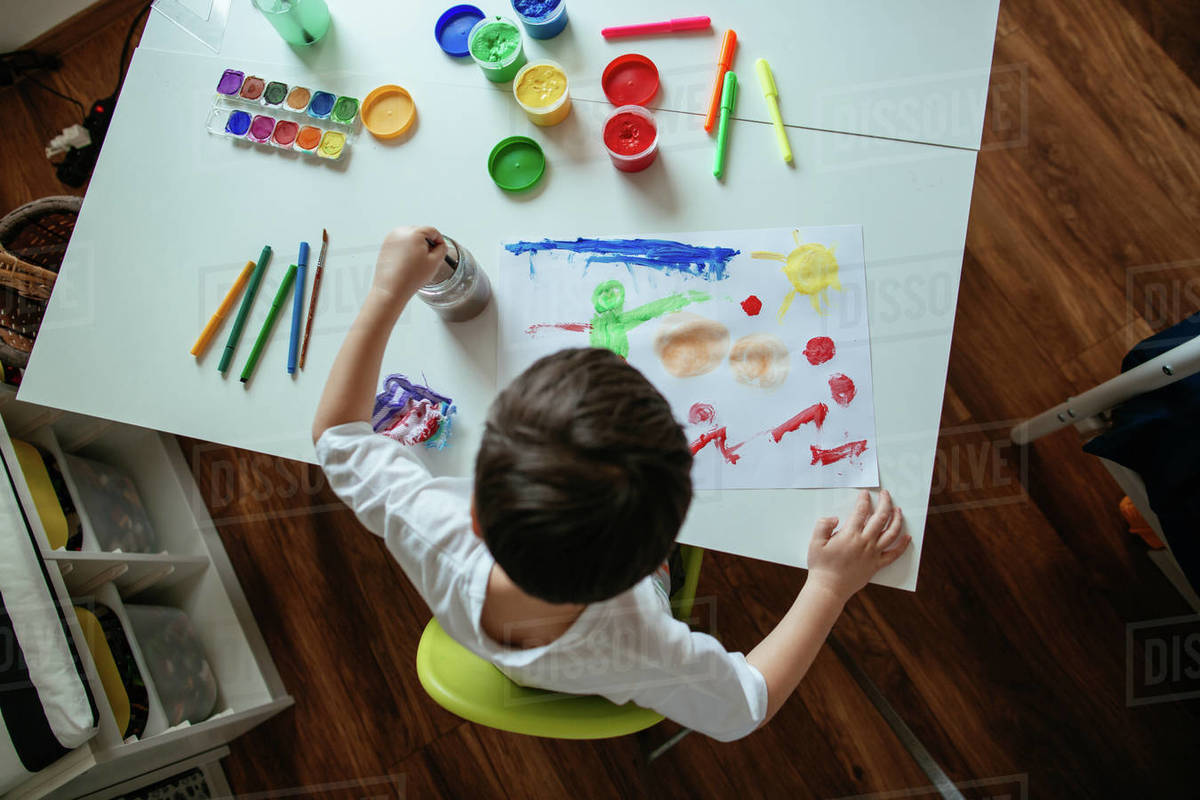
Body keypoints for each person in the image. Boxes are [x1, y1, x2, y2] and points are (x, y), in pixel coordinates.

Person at [312, 225, 910, 741]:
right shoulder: (640, 642)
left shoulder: (427, 523)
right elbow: (744, 707)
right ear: (661, 557)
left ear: (477, 510)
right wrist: (830, 586)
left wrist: (389, 289)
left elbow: (338, 435)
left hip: (498, 645)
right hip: (589, 662)